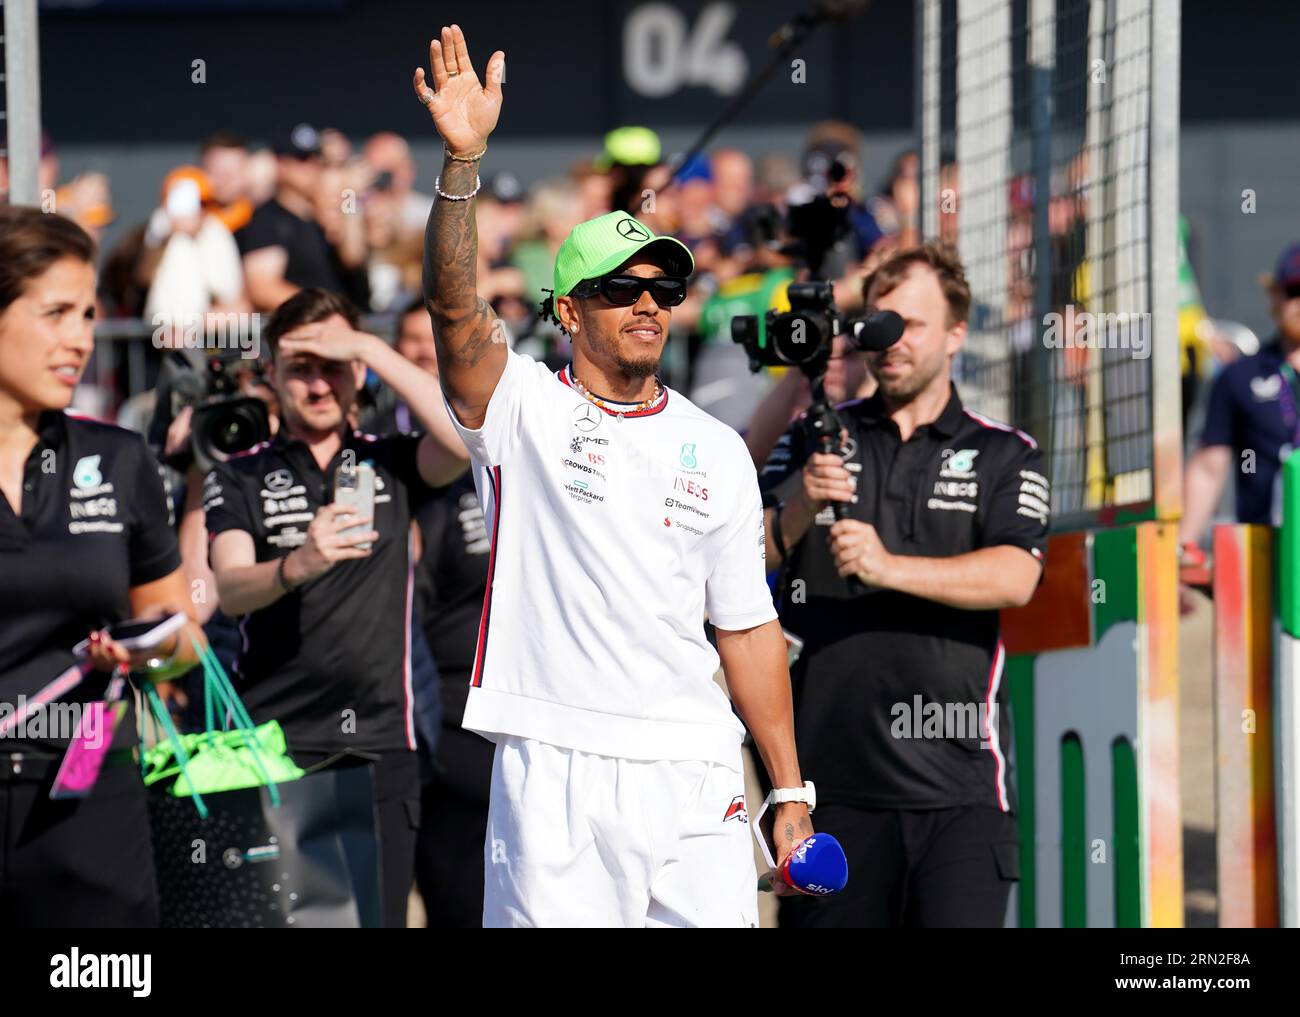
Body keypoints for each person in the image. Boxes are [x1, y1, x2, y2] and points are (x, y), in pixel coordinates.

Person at [411, 24, 813, 928]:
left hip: (696, 769)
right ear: (565, 310)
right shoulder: (519, 407)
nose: (646, 304)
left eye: (662, 291)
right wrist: (461, 162)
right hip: (556, 762)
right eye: (619, 288)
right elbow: (451, 308)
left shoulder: (714, 447)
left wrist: (791, 787)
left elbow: (746, 627)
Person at [759, 242, 1049, 928]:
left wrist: (887, 566)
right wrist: (801, 499)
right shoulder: (816, 436)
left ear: (955, 333)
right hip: (827, 796)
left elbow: (1017, 575)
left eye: (911, 324)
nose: (890, 342)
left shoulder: (1004, 451)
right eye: (879, 322)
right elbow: (738, 552)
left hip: (960, 796)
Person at [202, 288, 468, 927]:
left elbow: (463, 442)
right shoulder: (238, 474)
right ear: (270, 373)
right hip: (273, 744)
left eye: (334, 365)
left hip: (382, 745)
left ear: (358, 373)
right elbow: (231, 585)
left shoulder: (391, 460)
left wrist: (370, 346)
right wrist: (298, 564)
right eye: (300, 367)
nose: (319, 384)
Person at [0, 206, 205, 926]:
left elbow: (184, 639)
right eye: (56, 313)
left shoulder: (117, 458)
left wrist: (151, 648)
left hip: (91, 797)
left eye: (89, 314)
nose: (81, 339)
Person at [1181, 242, 1300, 549]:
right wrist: (1184, 546)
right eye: (1293, 291)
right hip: (1265, 554)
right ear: (1275, 295)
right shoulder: (1240, 377)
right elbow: (1209, 467)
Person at [235, 123, 369, 312]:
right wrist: (325, 310)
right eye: (301, 159)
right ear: (280, 164)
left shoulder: (324, 213)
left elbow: (353, 256)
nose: (312, 166)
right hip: (309, 327)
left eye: (317, 158)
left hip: (347, 321)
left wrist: (350, 194)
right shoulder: (267, 219)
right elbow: (263, 289)